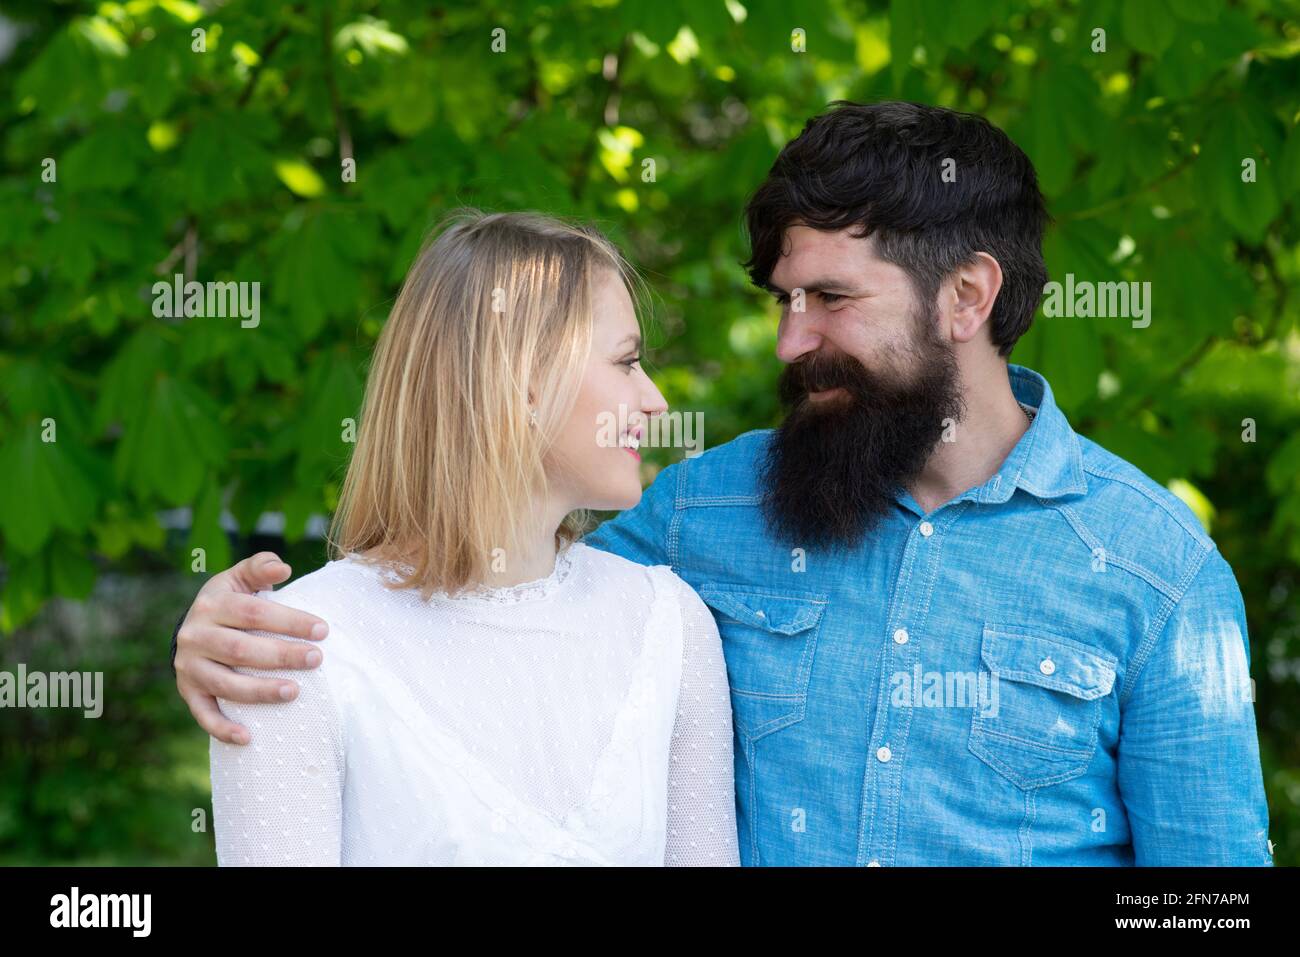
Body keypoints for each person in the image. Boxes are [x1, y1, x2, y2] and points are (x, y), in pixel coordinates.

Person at [178, 101, 1271, 866]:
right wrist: (227, 635)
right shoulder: (700, 516)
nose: (793, 344)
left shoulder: (1155, 573)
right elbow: (474, 605)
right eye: (782, 301)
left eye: (832, 300)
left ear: (966, 297)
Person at [202, 209, 739, 865]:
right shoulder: (301, 646)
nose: (655, 400)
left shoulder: (669, 623)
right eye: (626, 361)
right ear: (522, 380)